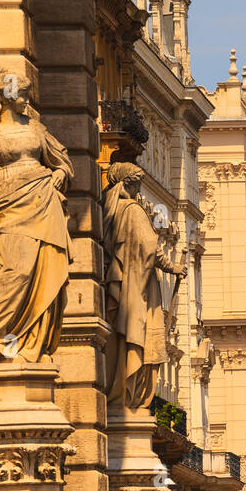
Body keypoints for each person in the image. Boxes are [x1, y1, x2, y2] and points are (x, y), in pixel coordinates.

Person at [0, 65, 73, 363]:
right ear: (6, 97)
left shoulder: (36, 129)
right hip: (5, 206)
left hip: (43, 203)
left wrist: (59, 173)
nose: (26, 101)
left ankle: (32, 341)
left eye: (26, 95)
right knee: (14, 274)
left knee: (42, 272)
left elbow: (63, 160)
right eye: (21, 95)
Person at [102, 161, 186, 408]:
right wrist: (173, 267)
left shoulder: (109, 208)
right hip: (136, 286)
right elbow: (149, 247)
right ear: (129, 183)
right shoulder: (133, 210)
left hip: (121, 282)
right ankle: (130, 395)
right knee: (138, 336)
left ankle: (119, 390)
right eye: (137, 183)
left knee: (121, 338)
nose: (139, 188)